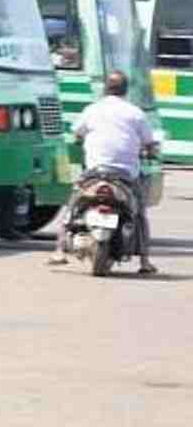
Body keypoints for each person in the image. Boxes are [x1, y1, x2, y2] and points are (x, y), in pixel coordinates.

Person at [48, 70, 161, 274]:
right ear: (125, 90)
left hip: (94, 173)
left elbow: (76, 133)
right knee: (139, 213)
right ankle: (144, 261)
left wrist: (82, 140)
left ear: (105, 89)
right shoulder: (136, 113)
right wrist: (150, 151)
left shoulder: (92, 110)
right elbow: (150, 143)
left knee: (72, 206)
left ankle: (59, 251)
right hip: (125, 176)